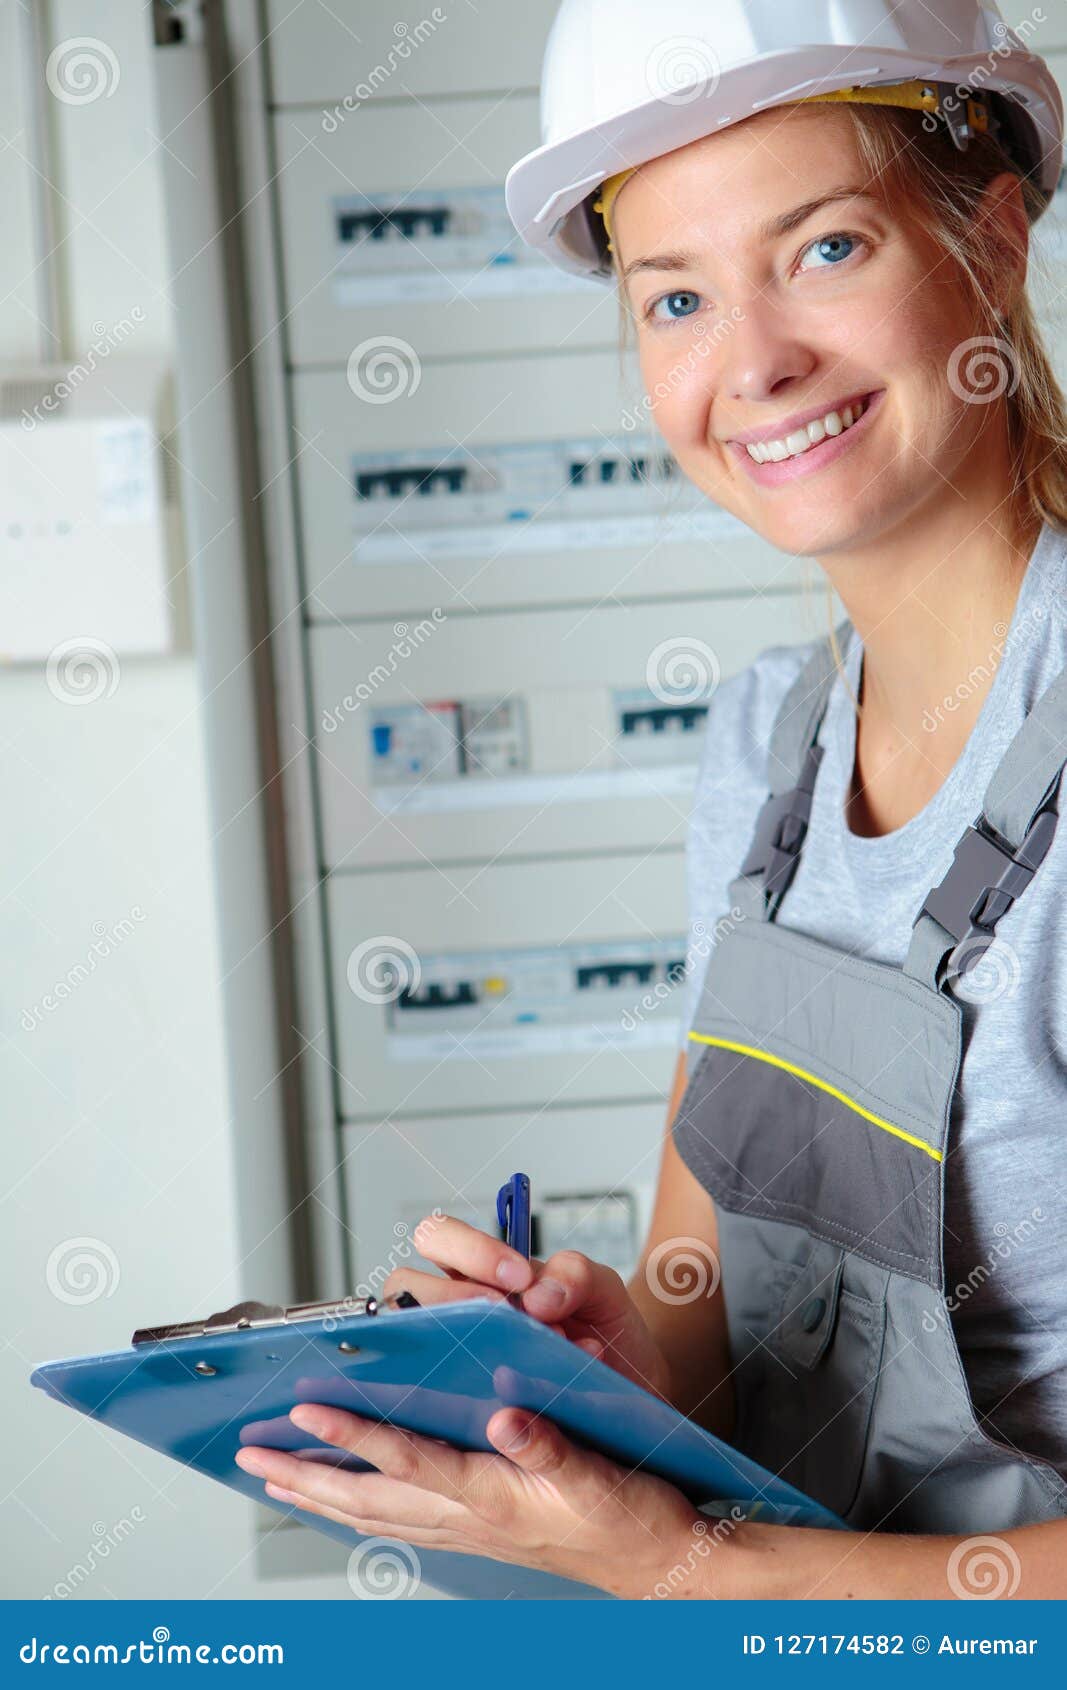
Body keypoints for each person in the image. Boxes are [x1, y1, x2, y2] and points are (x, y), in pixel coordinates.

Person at [234, 0, 1067, 1598]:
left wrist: (702, 1570)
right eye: (673, 296)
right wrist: (607, 1367)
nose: (752, 360)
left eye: (825, 250)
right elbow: (703, 1300)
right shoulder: (769, 748)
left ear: (995, 237)